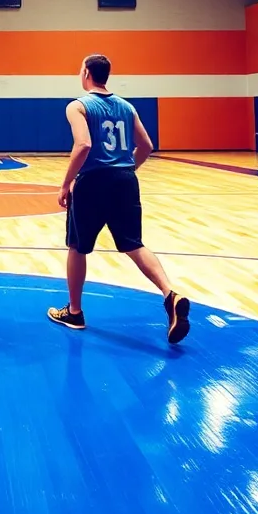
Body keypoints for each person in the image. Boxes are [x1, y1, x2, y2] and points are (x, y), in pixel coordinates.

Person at [47, 54, 191, 345]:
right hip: (125, 179)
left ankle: (74, 312)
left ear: (86, 72)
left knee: (77, 246)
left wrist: (65, 184)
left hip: (92, 182)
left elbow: (84, 144)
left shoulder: (78, 106)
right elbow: (147, 145)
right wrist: (125, 170)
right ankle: (169, 295)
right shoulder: (127, 107)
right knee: (133, 244)